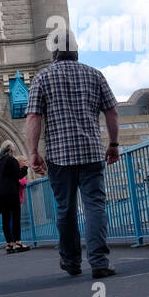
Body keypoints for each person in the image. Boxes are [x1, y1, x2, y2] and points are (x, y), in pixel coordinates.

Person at [26, 29, 120, 278]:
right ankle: (99, 262)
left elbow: (33, 116)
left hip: (59, 156)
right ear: (76, 50)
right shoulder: (95, 74)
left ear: (54, 52)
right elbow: (112, 112)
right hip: (91, 152)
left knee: (65, 209)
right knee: (95, 207)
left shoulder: (42, 77)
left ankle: (71, 261)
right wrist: (113, 144)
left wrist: (33, 152)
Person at [0, 141, 29, 252]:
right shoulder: (11, 160)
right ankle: (18, 242)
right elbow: (18, 175)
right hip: (11, 193)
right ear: (11, 150)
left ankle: (9, 244)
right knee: (16, 217)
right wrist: (25, 168)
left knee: (5, 219)